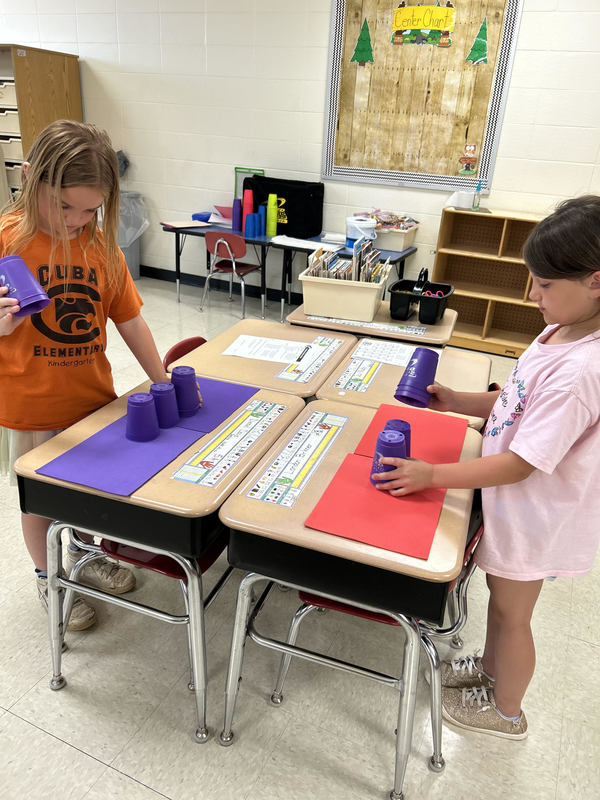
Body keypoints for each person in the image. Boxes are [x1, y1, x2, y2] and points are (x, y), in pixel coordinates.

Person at [372, 195, 600, 740]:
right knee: (500, 606)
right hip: (514, 505)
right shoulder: (562, 332)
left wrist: (431, 476)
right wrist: (458, 400)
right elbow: (514, 401)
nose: (531, 294)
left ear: (595, 281)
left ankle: (507, 711)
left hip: (535, 514)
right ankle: (492, 672)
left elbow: (521, 465)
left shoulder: (581, 372)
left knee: (513, 615)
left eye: (544, 286)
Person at [0, 120, 169, 631]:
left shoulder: (100, 247)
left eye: (90, 209)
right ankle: (47, 575)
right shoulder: (6, 240)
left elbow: (131, 318)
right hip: (30, 408)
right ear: (31, 180)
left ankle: (84, 554)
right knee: (40, 504)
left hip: (93, 402)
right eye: (64, 206)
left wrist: (161, 378)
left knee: (87, 497)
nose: (77, 220)